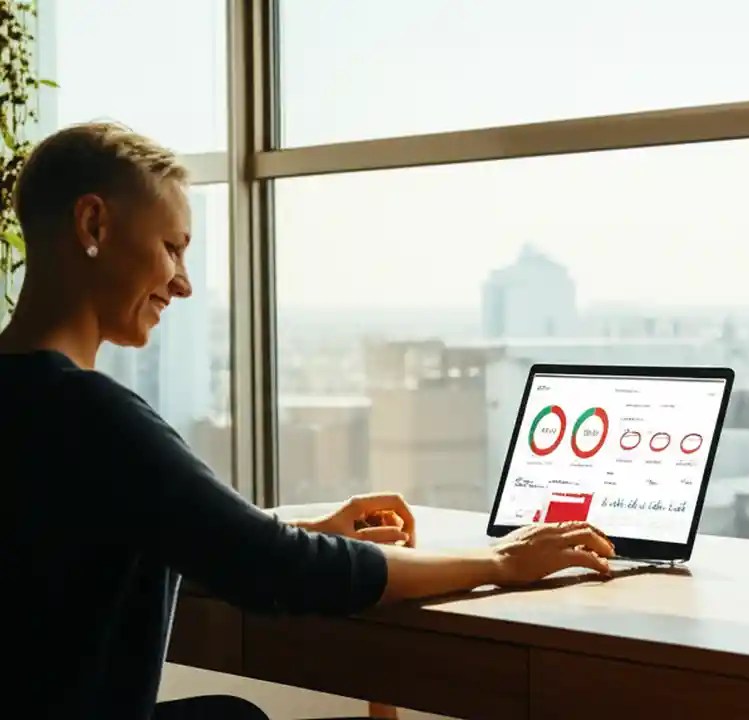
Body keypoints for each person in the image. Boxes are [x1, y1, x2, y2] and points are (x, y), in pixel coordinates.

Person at [0, 122, 615, 720]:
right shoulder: (88, 414)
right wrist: (497, 563)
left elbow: (106, 542)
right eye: (172, 247)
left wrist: (308, 528)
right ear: (93, 224)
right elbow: (269, 566)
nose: (182, 283)